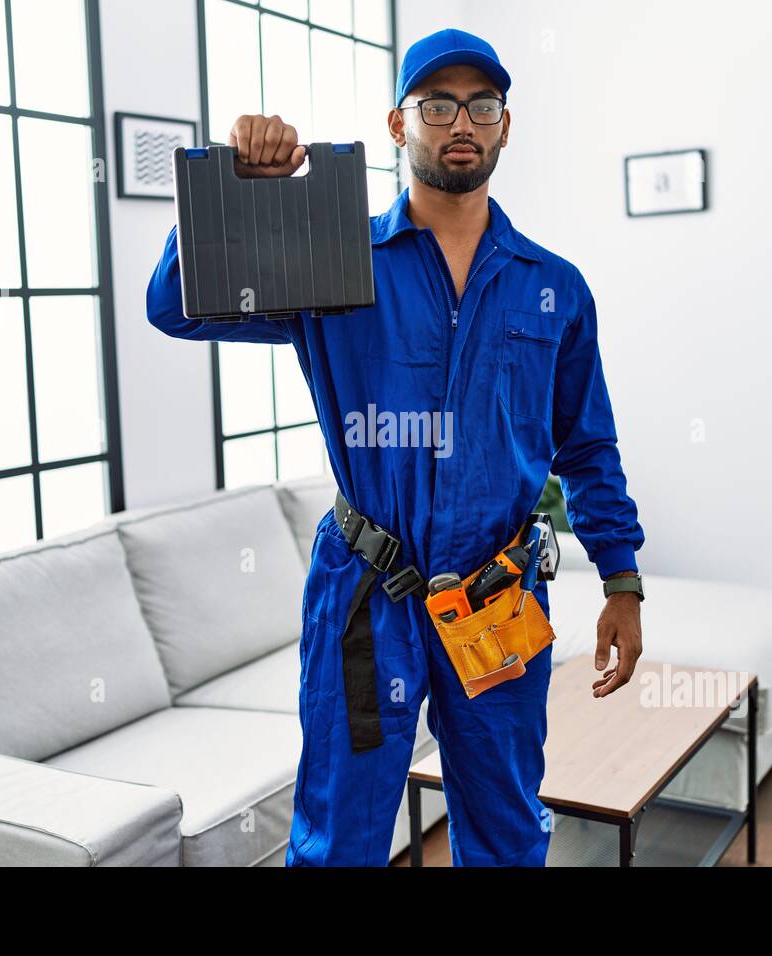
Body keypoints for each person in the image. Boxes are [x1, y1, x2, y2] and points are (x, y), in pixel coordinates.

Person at [146, 28, 645, 866]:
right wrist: (245, 186)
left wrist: (622, 580)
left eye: (482, 106)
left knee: (507, 828)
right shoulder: (333, 261)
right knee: (342, 832)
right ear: (397, 122)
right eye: (438, 104)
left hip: (499, 597)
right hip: (364, 602)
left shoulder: (551, 285)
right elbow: (175, 305)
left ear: (505, 126)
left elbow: (587, 445)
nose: (462, 122)